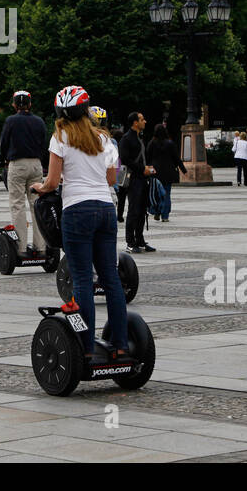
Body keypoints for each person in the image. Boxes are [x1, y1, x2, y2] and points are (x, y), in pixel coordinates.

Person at [31, 86, 128, 363]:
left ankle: (85, 346)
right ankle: (120, 344)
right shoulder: (103, 138)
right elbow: (111, 179)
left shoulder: (60, 137)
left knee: (83, 280)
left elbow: (51, 181)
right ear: (86, 110)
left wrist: (41, 187)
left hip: (77, 211)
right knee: (111, 278)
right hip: (105, 210)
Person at [0, 90, 48, 256]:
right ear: (30, 104)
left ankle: (20, 247)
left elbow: (4, 143)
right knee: (37, 205)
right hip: (36, 164)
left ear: (14, 105)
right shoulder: (39, 121)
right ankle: (41, 246)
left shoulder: (11, 121)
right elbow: (44, 143)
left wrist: (5, 159)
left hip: (17, 163)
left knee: (17, 204)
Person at [118, 112, 156, 253]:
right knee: (134, 210)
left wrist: (149, 168)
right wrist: (142, 168)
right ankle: (130, 242)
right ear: (135, 122)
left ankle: (140, 240)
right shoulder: (126, 139)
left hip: (143, 178)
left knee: (142, 211)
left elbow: (143, 157)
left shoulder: (140, 137)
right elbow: (125, 158)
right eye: (141, 119)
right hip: (133, 178)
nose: (144, 121)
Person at [146, 123, 184, 220]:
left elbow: (147, 158)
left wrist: (147, 169)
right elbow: (176, 158)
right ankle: (165, 216)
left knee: (156, 193)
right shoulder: (170, 143)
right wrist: (183, 169)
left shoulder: (151, 143)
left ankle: (157, 211)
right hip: (168, 172)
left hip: (155, 172)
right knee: (167, 194)